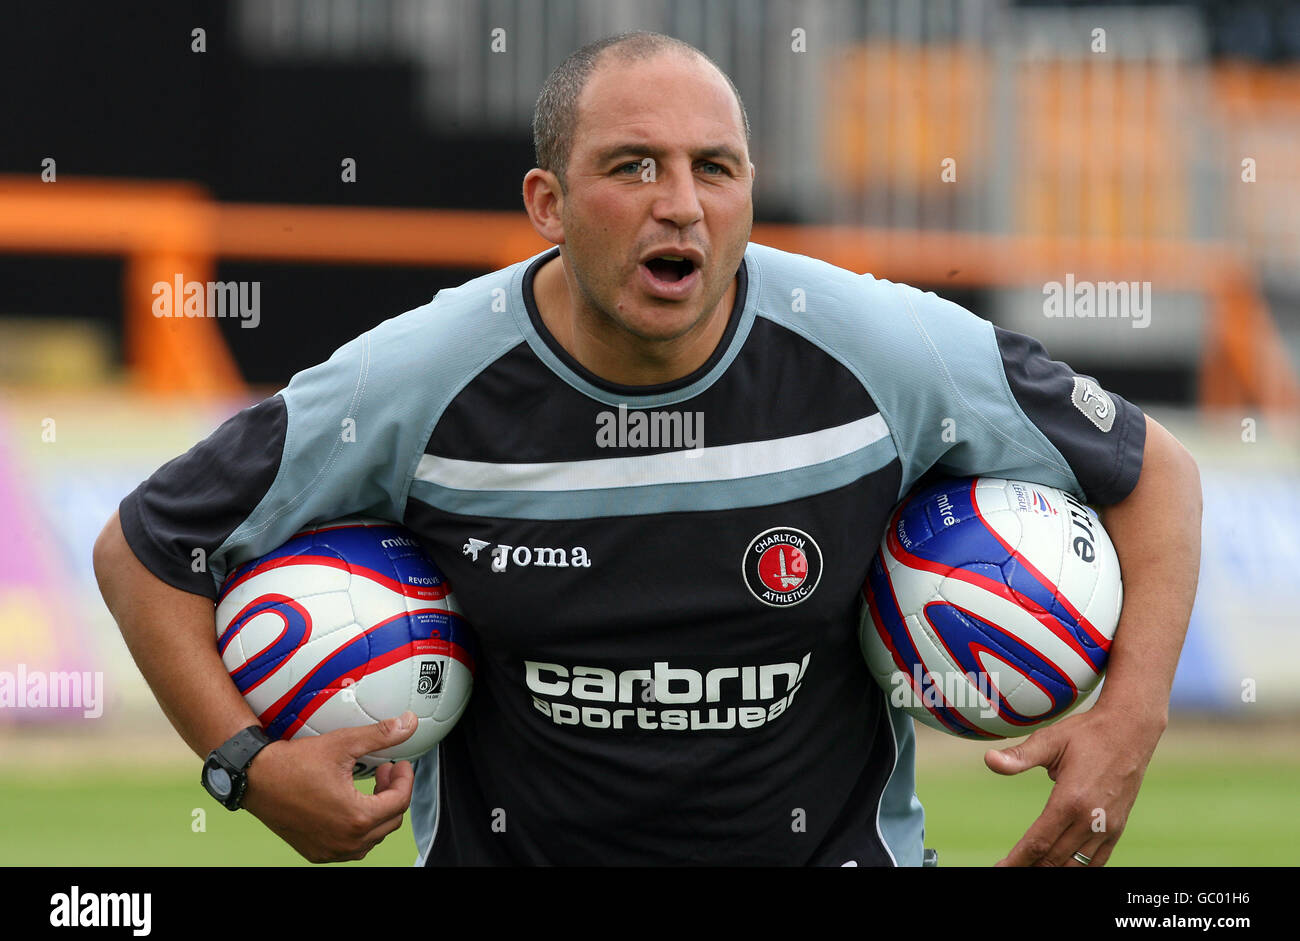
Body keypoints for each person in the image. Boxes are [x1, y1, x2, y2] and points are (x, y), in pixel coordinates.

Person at [93, 31, 1201, 866]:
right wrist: (246, 765)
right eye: (632, 167)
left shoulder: (885, 348)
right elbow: (145, 548)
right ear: (547, 200)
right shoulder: (414, 381)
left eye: (714, 169)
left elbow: (1156, 476)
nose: (681, 205)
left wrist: (1126, 722)